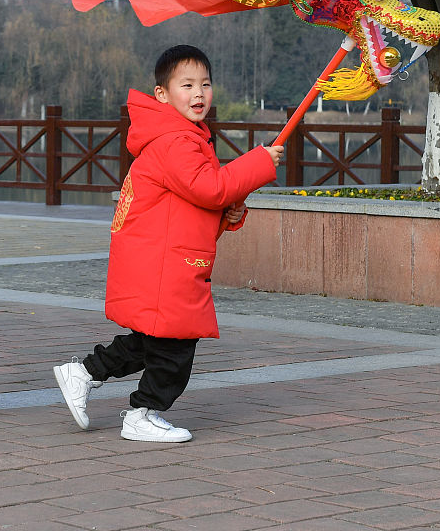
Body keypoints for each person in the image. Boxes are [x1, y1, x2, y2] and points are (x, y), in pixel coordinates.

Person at [54, 44, 283, 443]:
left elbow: (198, 202)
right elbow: (209, 189)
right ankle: (144, 412)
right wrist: (259, 162)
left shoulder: (183, 137)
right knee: (175, 347)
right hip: (165, 263)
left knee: (152, 340)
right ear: (162, 94)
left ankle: (84, 372)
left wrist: (231, 212)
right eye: (187, 85)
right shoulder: (176, 141)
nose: (199, 94)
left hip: (165, 258)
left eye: (206, 84)